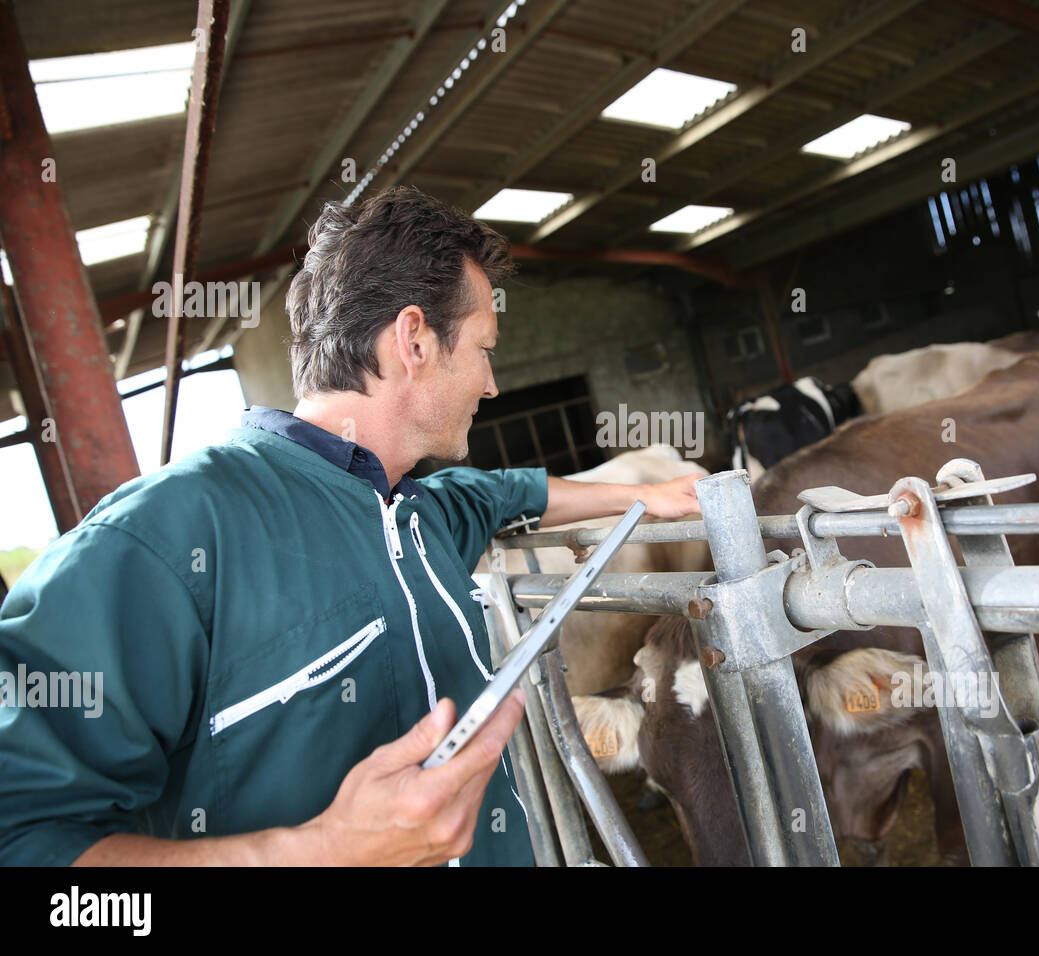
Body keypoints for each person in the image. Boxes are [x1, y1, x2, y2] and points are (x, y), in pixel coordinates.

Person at [0, 186, 703, 866]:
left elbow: (503, 492)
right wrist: (318, 855)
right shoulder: (162, 540)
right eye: (484, 349)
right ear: (414, 341)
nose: (491, 384)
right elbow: (22, 841)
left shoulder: (418, 513)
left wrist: (650, 494)